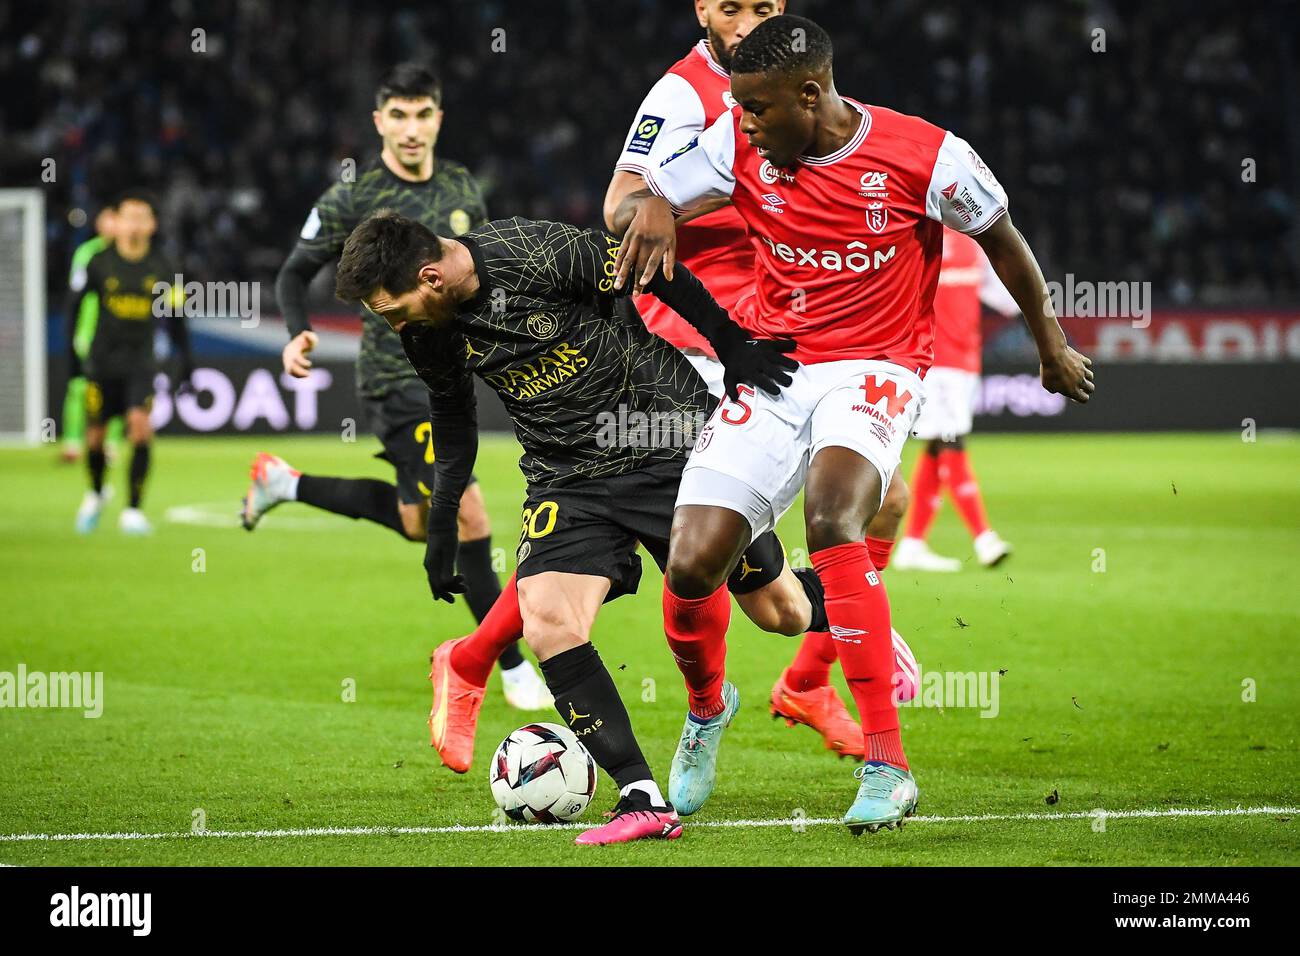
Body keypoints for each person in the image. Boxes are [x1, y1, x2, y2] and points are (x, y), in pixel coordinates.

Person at [612, 14, 1095, 832]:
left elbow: (1003, 240)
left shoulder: (925, 156)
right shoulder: (738, 142)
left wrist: (1050, 343)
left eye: (759, 109)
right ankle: (705, 711)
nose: (747, 124)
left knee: (835, 517)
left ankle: (887, 765)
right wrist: (656, 204)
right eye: (739, 108)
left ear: (812, 94)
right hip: (776, 364)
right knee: (692, 565)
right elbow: (637, 201)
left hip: (876, 366)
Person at [333, 210, 802, 844]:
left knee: (781, 613)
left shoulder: (532, 249)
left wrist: (730, 344)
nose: (391, 323)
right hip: (566, 477)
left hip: (666, 439)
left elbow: (651, 268)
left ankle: (851, 612)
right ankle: (639, 795)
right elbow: (452, 413)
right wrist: (442, 519)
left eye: (393, 308)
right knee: (549, 618)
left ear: (431, 275)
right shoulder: (427, 329)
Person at [602, 0, 914, 763]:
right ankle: (478, 654)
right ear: (703, 8)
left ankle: (807, 681)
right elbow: (621, 205)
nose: (748, 21)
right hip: (706, 343)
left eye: (764, 6)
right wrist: (687, 204)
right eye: (732, 6)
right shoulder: (684, 93)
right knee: (750, 587)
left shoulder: (789, 80)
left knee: (880, 504)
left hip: (783, 340)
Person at [243, 63, 548, 710]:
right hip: (393, 381)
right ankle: (512, 663)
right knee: (468, 511)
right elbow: (293, 274)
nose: (412, 129)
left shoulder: (464, 186)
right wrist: (298, 332)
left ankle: (285, 483)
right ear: (379, 121)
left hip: (451, 374)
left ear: (439, 117)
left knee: (419, 521)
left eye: (423, 114)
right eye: (399, 116)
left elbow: (480, 277)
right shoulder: (354, 196)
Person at [895, 227, 1019, 571]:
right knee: (952, 441)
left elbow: (1005, 300)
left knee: (938, 446)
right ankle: (984, 538)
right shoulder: (925, 240)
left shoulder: (958, 243)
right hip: (936, 363)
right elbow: (1009, 299)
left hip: (960, 363)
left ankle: (913, 543)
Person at [70, 190, 193, 535]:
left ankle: (133, 510)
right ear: (117, 222)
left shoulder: (164, 266)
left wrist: (187, 362)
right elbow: (73, 310)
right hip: (102, 362)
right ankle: (96, 492)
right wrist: (72, 361)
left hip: (140, 362)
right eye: (129, 217)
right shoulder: (98, 263)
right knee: (94, 438)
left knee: (140, 427)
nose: (135, 224)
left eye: (142, 217)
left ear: (152, 224)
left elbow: (177, 317)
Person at [62, 204, 126, 464]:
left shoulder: (128, 253)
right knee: (79, 388)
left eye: (115, 219)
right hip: (88, 332)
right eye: (107, 218)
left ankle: (111, 444)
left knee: (117, 388)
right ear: (99, 223)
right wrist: (75, 331)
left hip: (121, 334)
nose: (111, 224)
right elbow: (75, 296)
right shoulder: (87, 253)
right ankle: (72, 442)